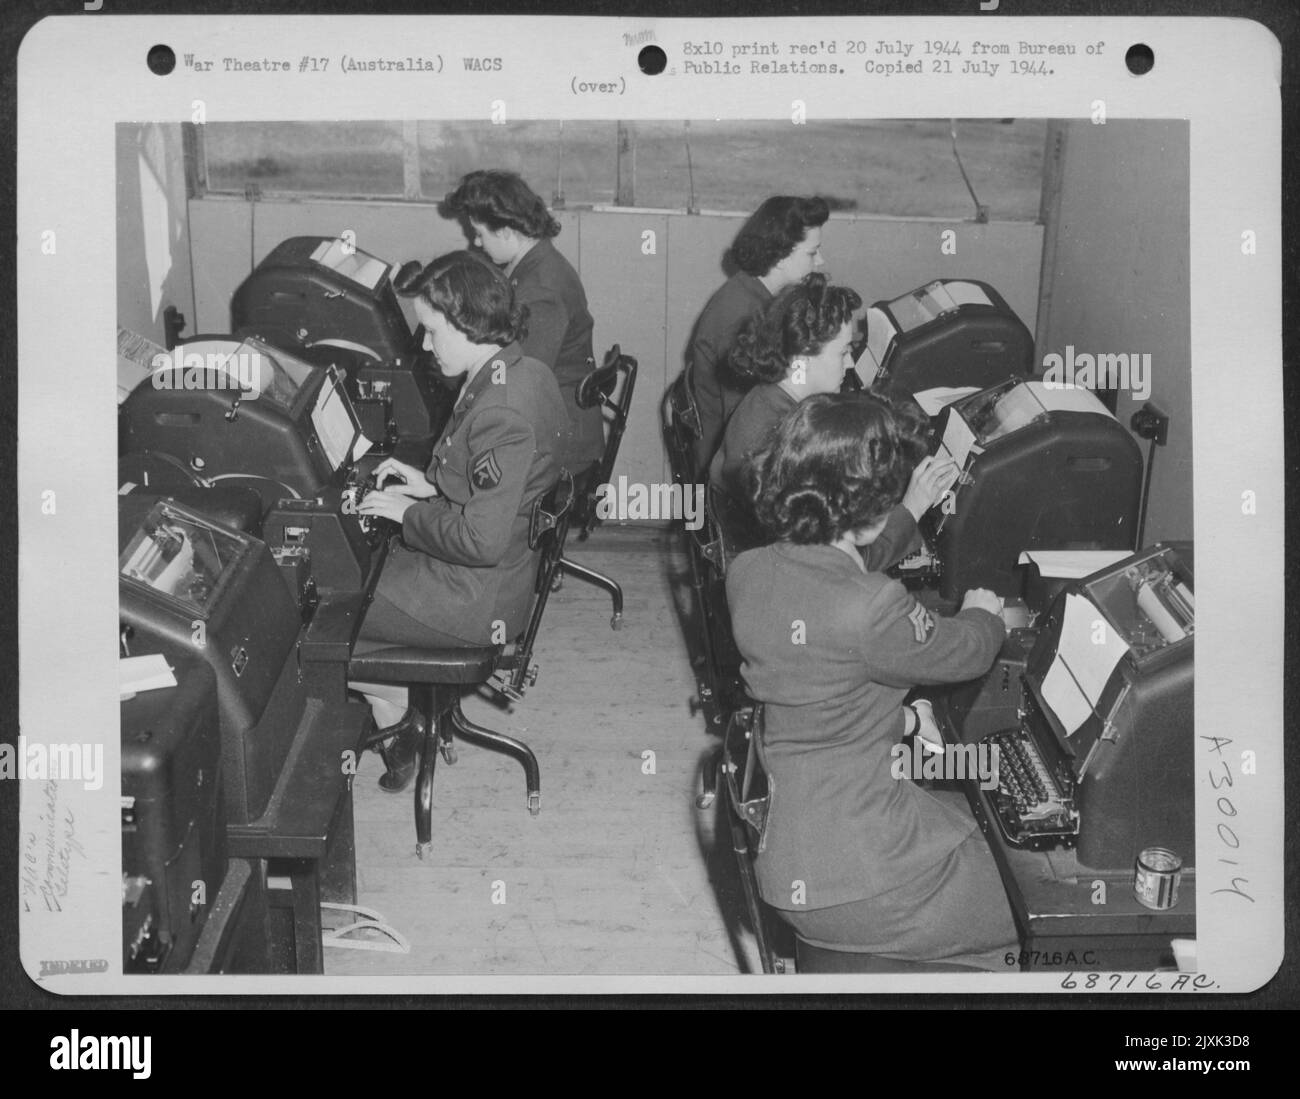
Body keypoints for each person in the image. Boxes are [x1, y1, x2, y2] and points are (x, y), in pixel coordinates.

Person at [724, 393, 1019, 961]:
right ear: (872, 510)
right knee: (1048, 904)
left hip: (795, 851)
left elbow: (820, 682)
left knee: (972, 819)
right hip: (862, 885)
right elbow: (967, 651)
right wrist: (986, 612)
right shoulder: (872, 607)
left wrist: (903, 715)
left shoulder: (747, 571)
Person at [349, 251, 569, 792]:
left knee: (323, 609)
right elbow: (496, 489)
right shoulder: (521, 371)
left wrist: (409, 511)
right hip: (495, 576)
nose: (424, 345)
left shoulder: (502, 408)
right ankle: (397, 703)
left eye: (431, 331)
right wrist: (433, 485)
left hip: (473, 596)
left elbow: (480, 538)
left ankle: (399, 723)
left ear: (468, 323)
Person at [439, 170, 602, 474]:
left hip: (558, 441)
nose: (475, 242)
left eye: (480, 233)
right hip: (550, 418)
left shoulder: (542, 290)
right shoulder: (532, 265)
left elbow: (517, 382)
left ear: (505, 231)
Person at [687, 195, 830, 472]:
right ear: (780, 256)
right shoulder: (741, 317)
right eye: (813, 253)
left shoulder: (757, 295)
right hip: (730, 466)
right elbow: (752, 423)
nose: (820, 261)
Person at [708, 273, 861, 502]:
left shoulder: (770, 393)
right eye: (843, 352)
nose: (851, 364)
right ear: (805, 355)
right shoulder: (782, 438)